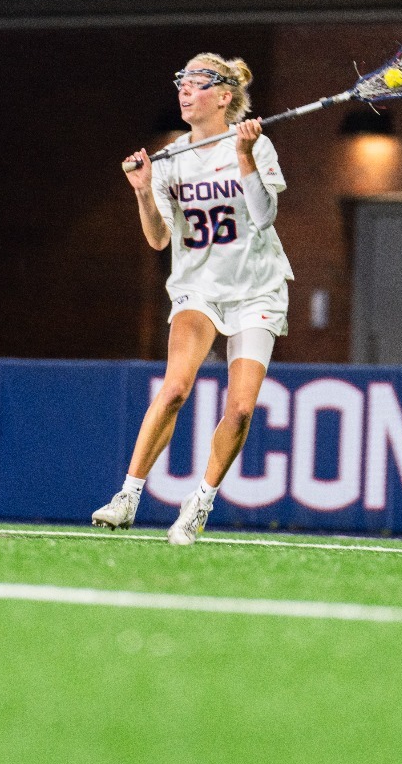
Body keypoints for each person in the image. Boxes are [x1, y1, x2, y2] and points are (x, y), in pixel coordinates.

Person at [94, 53, 292, 546]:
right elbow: (159, 240)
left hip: (257, 288)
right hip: (198, 288)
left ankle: (200, 501)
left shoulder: (256, 144)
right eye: (181, 81)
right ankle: (128, 496)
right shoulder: (170, 159)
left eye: (197, 83)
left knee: (241, 408)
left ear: (224, 96)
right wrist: (142, 191)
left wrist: (245, 157)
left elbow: (264, 216)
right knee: (177, 387)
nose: (184, 90)